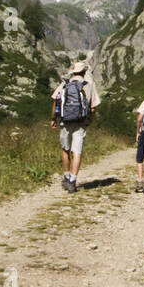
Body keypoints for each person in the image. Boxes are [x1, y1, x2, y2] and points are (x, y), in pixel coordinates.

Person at [51, 61, 98, 192]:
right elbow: (93, 108)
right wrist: (90, 120)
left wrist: (53, 118)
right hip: (81, 122)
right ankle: (73, 180)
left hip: (65, 121)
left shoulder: (65, 84)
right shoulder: (88, 85)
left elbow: (56, 101)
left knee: (65, 149)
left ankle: (66, 177)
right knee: (77, 151)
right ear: (84, 72)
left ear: (73, 72)